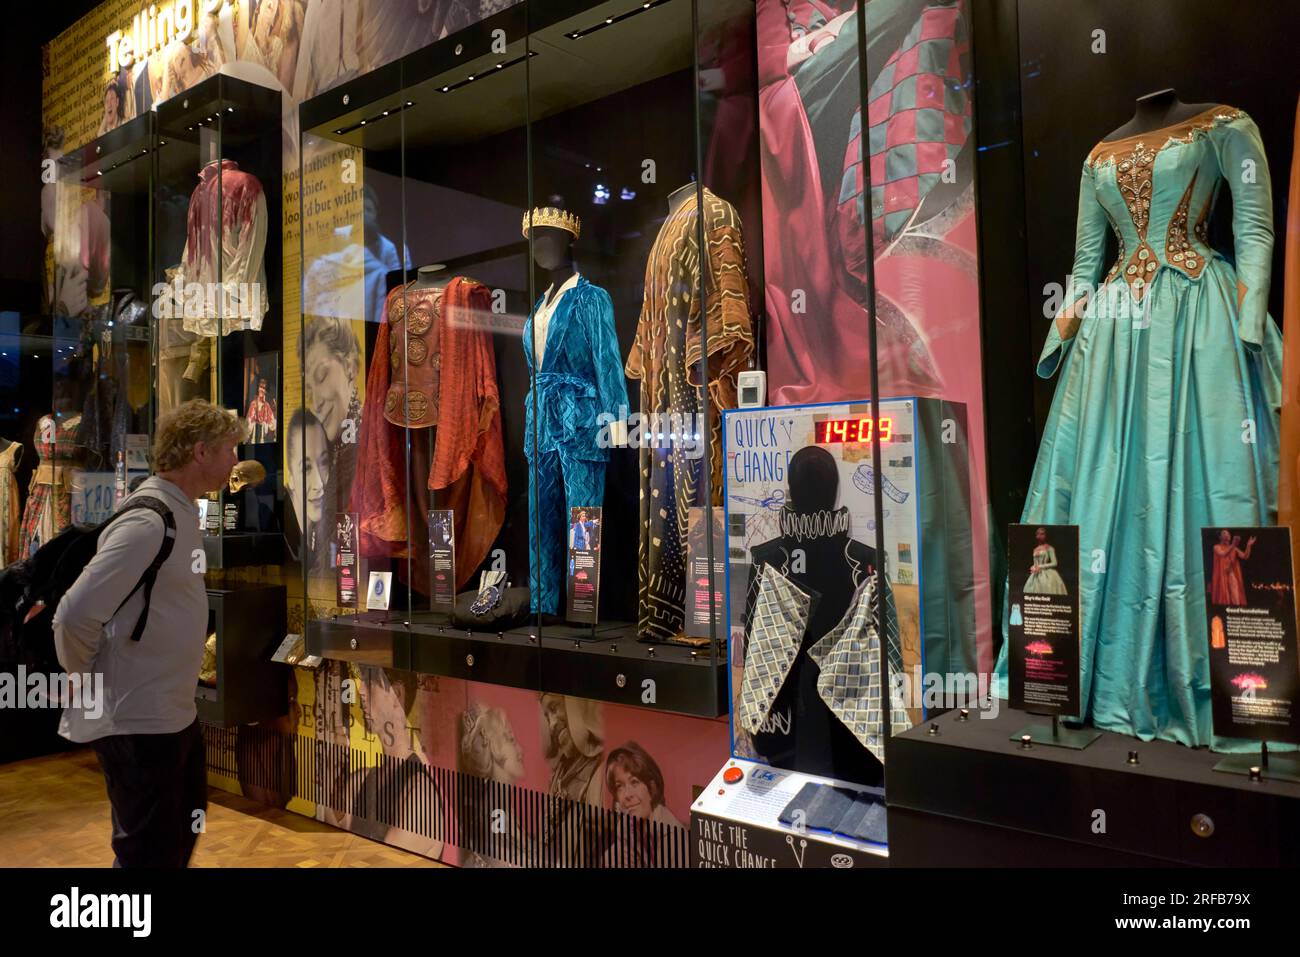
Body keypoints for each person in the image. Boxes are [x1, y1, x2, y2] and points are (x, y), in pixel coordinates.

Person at [53, 399, 245, 868]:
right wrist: (87, 674)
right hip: (136, 717)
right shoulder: (148, 520)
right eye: (229, 449)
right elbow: (74, 613)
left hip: (171, 711)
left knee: (181, 829)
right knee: (147, 850)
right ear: (200, 452)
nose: (235, 461)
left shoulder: (180, 511)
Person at [302, 316, 362, 519]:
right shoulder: (331, 451)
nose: (316, 401)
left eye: (322, 376)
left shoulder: (368, 445)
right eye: (309, 390)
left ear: (349, 366)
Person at [284, 408, 332, 575]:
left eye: (324, 462)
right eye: (306, 468)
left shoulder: (322, 533)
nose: (319, 483)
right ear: (290, 477)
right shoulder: (283, 536)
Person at [1211, 530, 1256, 607]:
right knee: (1224, 597)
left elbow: (1245, 556)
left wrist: (1248, 545)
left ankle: (1236, 612)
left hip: (1231, 574)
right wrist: (1233, 544)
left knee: (1235, 596)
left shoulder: (1234, 548)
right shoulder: (1216, 547)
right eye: (1224, 533)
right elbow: (1223, 554)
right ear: (1220, 537)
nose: (1227, 535)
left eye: (1228, 533)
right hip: (1222, 576)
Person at [1024, 526, 1068, 595]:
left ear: (1045, 535)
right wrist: (1034, 567)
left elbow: (1054, 563)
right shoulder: (1035, 549)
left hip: (1047, 573)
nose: (1040, 536)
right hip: (1036, 573)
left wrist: (1040, 566)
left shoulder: (1049, 548)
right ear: (1036, 536)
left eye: (1042, 534)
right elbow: (1035, 562)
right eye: (1039, 534)